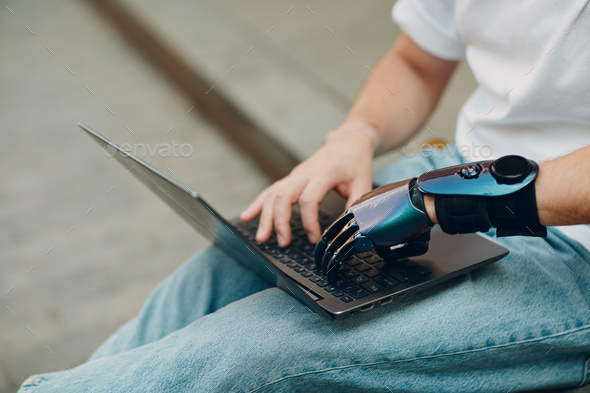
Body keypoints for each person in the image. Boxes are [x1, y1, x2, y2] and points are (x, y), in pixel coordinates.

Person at [20, 0, 590, 392]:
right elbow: (417, 61)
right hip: (456, 175)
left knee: (248, 353)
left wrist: (443, 200)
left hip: (573, 249)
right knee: (219, 272)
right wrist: (355, 136)